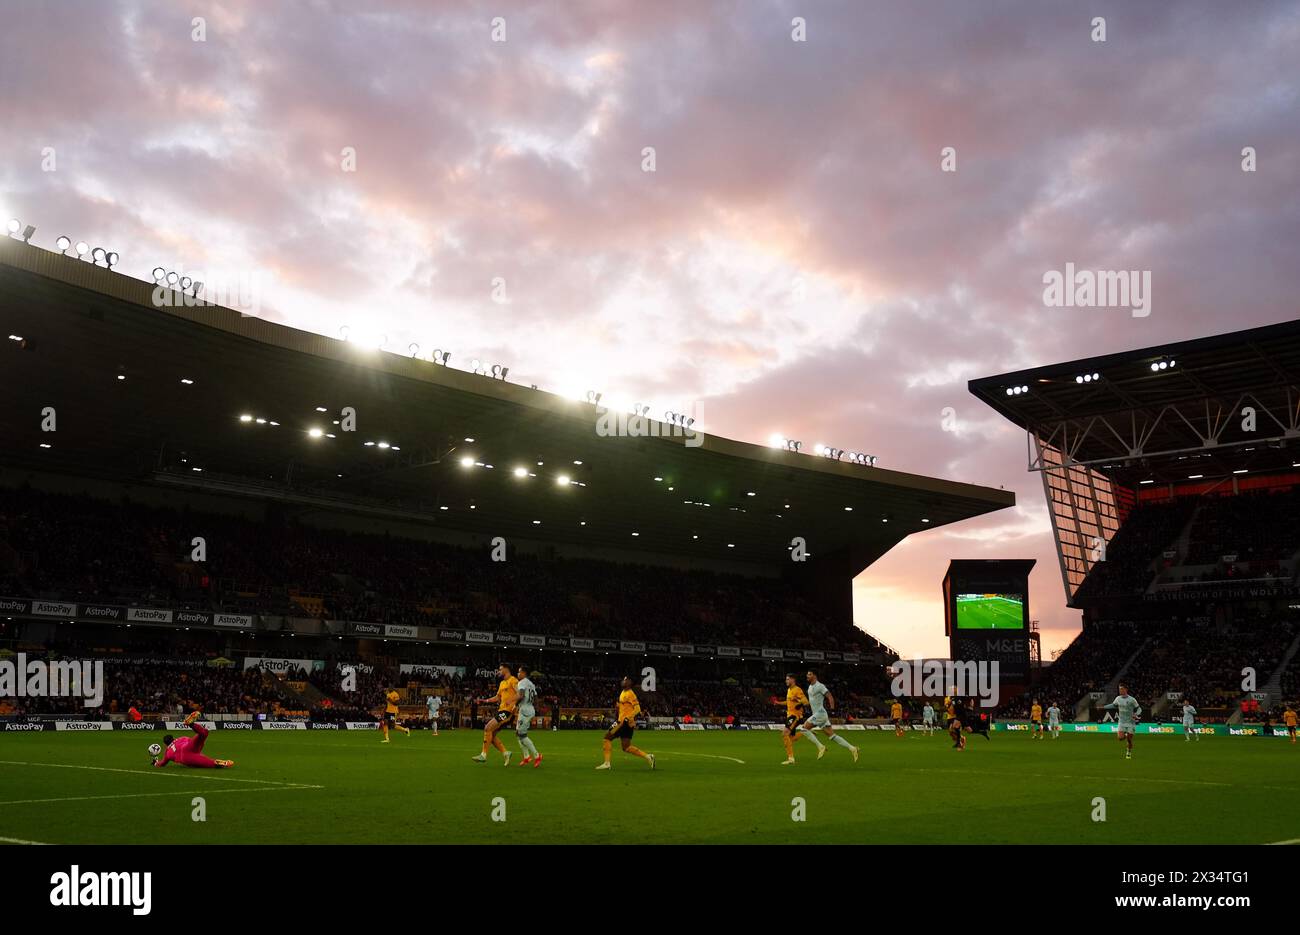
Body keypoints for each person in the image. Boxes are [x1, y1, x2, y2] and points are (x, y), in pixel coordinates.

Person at [596, 676, 654, 770]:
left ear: (630, 682)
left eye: (625, 680)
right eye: (623, 679)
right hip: (626, 723)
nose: (623, 681)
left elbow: (637, 709)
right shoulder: (623, 692)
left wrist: (627, 717)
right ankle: (648, 756)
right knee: (626, 747)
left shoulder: (631, 694)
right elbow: (622, 708)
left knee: (607, 738)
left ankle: (607, 763)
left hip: (623, 722)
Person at [801, 670, 859, 761]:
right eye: (807, 674)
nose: (807, 675)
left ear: (815, 676)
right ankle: (852, 748)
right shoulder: (810, 687)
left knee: (803, 729)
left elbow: (830, 696)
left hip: (820, 713)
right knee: (832, 736)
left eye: (809, 674)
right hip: (817, 714)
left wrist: (832, 709)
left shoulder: (820, 686)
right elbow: (813, 701)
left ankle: (821, 747)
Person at [153, 710, 233, 769]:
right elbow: (190, 740)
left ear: (165, 744)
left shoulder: (167, 752)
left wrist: (155, 763)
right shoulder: (180, 738)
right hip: (189, 747)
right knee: (203, 733)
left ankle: (222, 763)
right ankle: (191, 724)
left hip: (185, 758)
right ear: (173, 738)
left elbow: (162, 763)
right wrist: (200, 743)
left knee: (208, 763)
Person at [472, 664, 518, 765]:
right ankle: (506, 753)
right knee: (491, 736)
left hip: (508, 712)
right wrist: (485, 700)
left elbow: (519, 694)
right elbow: (497, 697)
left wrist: (515, 706)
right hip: (502, 711)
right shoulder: (502, 683)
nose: (499, 672)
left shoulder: (513, 680)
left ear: (506, 669)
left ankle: (483, 755)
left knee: (487, 727)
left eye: (500, 669)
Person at [776, 673, 821, 765]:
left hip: (795, 716)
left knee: (785, 734)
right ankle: (806, 732)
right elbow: (789, 702)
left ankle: (791, 758)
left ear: (793, 680)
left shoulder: (797, 690)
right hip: (790, 716)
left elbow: (806, 702)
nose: (786, 681)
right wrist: (778, 703)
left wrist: (799, 703)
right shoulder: (789, 690)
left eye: (788, 679)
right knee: (791, 738)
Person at [1102, 683, 1142, 760]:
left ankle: (1128, 752)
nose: (1120, 690)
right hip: (1122, 721)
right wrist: (1104, 707)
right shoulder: (1118, 698)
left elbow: (1139, 709)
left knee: (1129, 740)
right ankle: (1126, 735)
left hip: (1131, 722)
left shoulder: (1132, 699)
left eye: (1122, 689)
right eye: (1119, 689)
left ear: (1126, 689)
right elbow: (1113, 705)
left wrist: (1136, 714)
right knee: (1120, 738)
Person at [515, 666, 542, 767]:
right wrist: (536, 709)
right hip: (529, 709)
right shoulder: (531, 684)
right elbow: (536, 697)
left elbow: (521, 696)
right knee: (518, 733)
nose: (518, 674)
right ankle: (526, 757)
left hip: (525, 711)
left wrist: (515, 704)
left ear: (524, 673)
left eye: (519, 672)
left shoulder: (522, 682)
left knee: (522, 735)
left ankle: (537, 755)